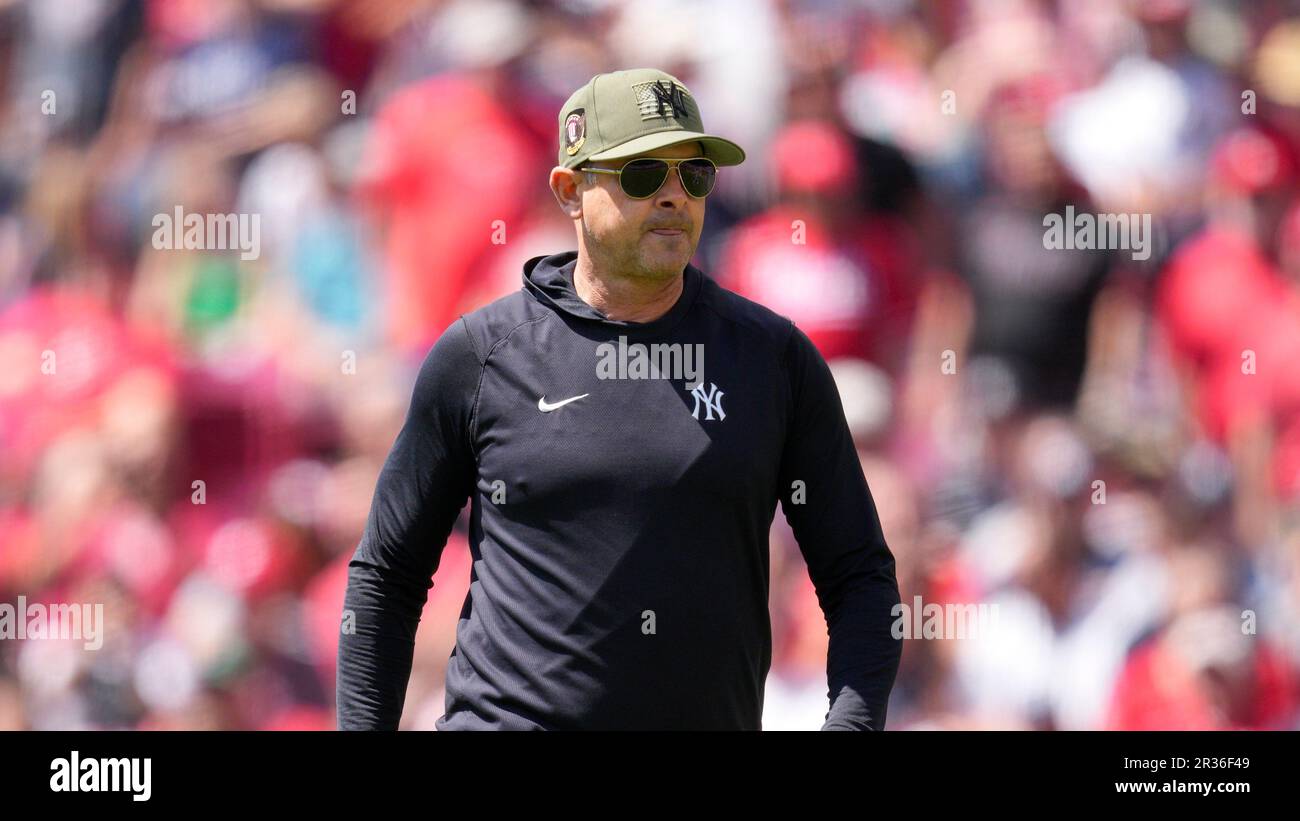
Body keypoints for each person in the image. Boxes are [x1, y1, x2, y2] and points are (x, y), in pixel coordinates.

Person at [337, 68, 902, 730]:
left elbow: (859, 576)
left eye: (693, 175)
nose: (673, 196)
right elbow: (387, 577)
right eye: (641, 175)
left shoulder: (772, 360)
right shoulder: (481, 355)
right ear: (570, 191)